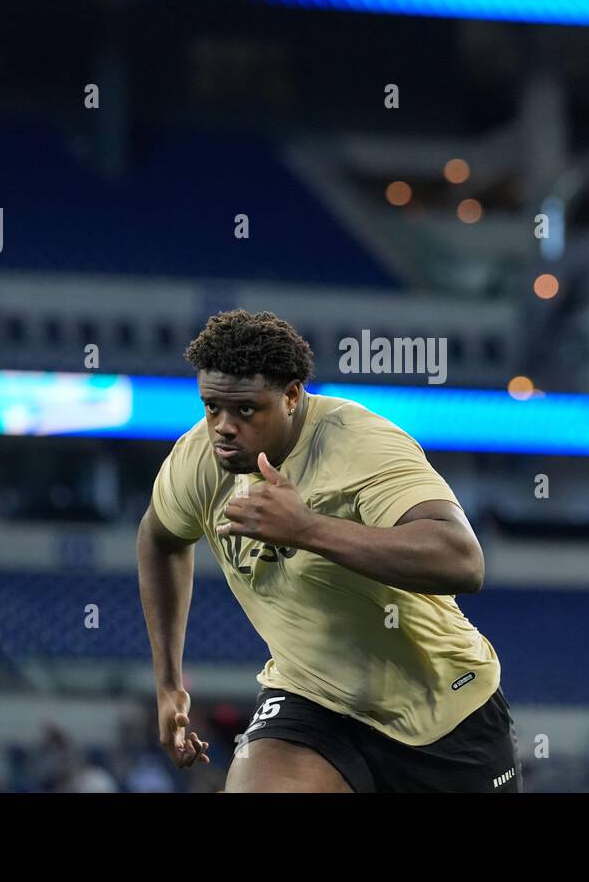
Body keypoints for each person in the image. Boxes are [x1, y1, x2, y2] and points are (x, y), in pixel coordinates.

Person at [137, 310, 519, 792]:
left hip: (446, 712)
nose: (223, 428)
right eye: (212, 407)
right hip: (310, 700)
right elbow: (160, 539)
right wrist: (169, 684)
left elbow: (462, 559)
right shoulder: (198, 460)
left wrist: (307, 529)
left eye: (246, 410)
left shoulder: (359, 444)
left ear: (292, 396)